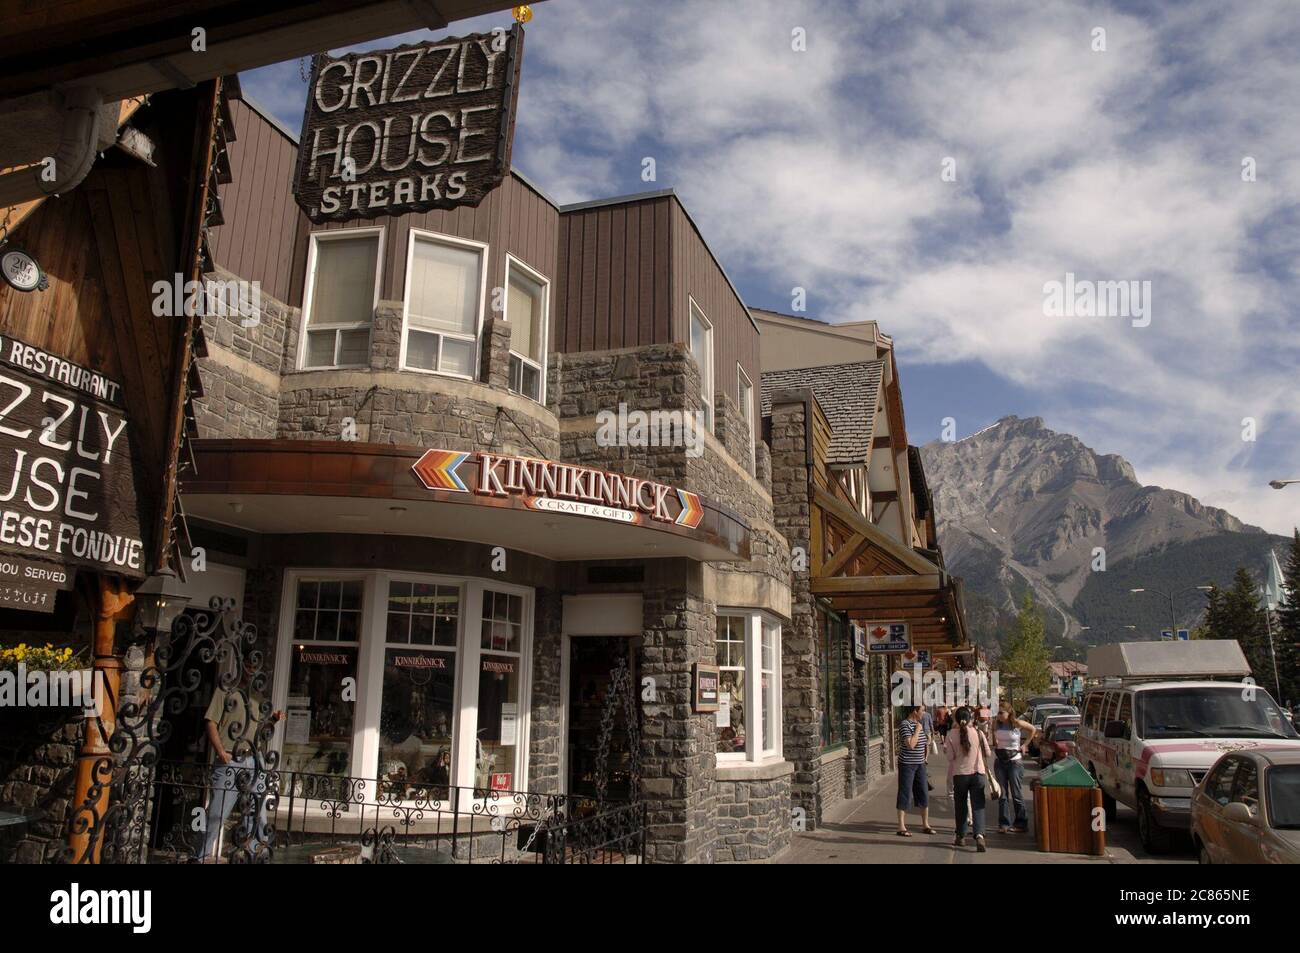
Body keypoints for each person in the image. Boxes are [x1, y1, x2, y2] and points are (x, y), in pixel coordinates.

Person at [200, 665, 283, 862]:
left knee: (257, 813)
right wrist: (220, 752)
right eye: (249, 666)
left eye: (256, 668)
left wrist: (273, 720)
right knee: (217, 813)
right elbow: (210, 721)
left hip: (254, 759)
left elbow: (258, 730)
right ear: (240, 666)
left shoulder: (257, 697)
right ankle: (200, 856)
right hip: (230, 758)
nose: (252, 671)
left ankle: (258, 855)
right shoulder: (225, 690)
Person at [943, 706, 990, 851]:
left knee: (961, 806)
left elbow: (950, 757)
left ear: (956, 719)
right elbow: (987, 753)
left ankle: (961, 836)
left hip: (960, 775)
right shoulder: (978, 732)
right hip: (978, 773)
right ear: (970, 718)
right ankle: (979, 836)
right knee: (978, 806)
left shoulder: (951, 734)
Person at [992, 702, 1036, 833]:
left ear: (1009, 713)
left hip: (1014, 761)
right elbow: (994, 738)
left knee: (1016, 793)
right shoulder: (996, 723)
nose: (999, 715)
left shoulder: (1017, 723)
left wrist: (1025, 744)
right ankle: (1004, 824)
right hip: (1000, 761)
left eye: (1001, 713)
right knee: (1002, 794)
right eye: (998, 712)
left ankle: (1021, 823)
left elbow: (1033, 729)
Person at [896, 705, 935, 836]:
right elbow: (911, 745)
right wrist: (918, 731)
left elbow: (923, 743)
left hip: (920, 764)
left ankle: (925, 824)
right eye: (922, 710)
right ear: (915, 711)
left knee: (923, 793)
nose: (924, 713)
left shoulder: (919, 724)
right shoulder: (905, 725)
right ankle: (901, 826)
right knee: (905, 793)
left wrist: (925, 757)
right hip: (907, 764)